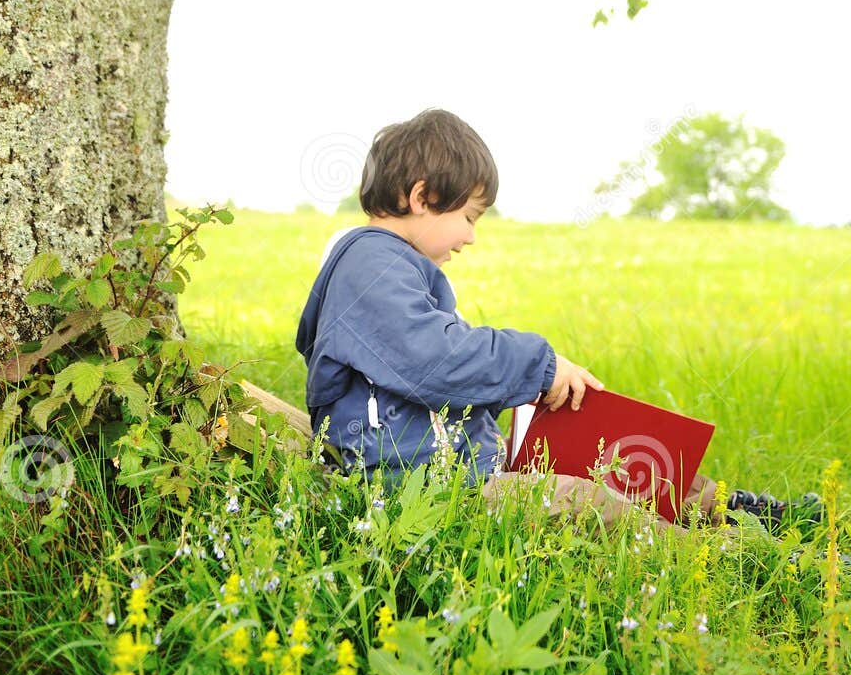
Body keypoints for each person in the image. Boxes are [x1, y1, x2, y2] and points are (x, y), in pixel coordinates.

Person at [296, 108, 822, 538]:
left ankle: (747, 513)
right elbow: (433, 360)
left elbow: (436, 371)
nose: (472, 236)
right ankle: (721, 558)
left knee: (613, 462)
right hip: (424, 491)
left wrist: (515, 396)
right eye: (470, 217)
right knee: (588, 500)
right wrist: (537, 366)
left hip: (459, 470)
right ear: (421, 196)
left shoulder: (393, 267)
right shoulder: (371, 264)